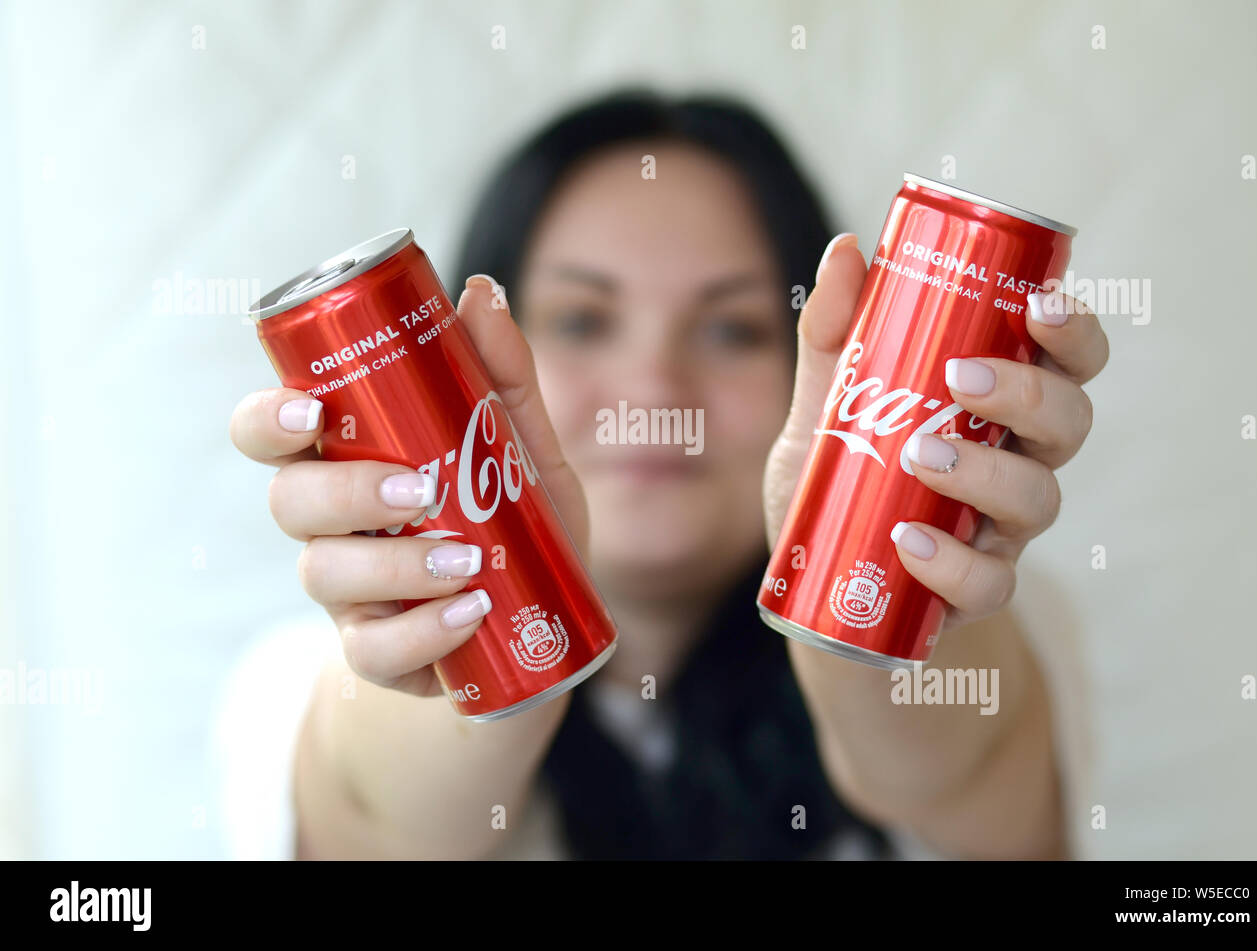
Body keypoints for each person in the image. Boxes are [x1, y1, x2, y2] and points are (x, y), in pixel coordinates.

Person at [227, 88, 1108, 860]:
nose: (653, 391)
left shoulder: (997, 623)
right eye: (581, 319)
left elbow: (957, 776)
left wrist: (863, 563)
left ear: (837, 364)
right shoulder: (297, 682)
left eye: (731, 329)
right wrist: (483, 611)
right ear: (474, 360)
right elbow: (384, 826)